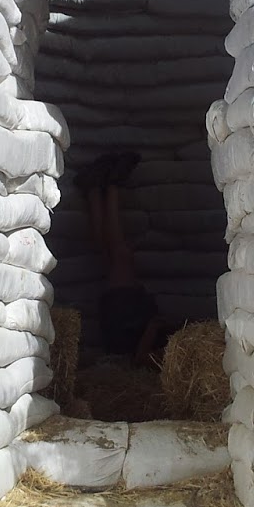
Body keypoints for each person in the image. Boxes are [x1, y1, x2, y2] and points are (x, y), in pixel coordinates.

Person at [76, 150, 168, 367]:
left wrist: (153, 328)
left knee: (119, 254)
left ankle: (111, 185)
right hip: (123, 318)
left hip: (124, 317)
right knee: (109, 253)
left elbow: (139, 359)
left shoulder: (141, 369)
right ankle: (95, 189)